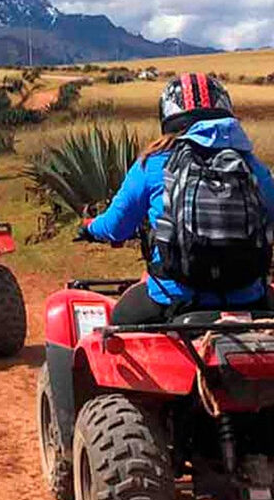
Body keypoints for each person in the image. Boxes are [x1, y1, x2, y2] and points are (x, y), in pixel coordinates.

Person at [78, 74, 274, 324]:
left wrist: (90, 228)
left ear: (168, 117)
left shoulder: (153, 163)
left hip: (173, 300)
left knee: (118, 321)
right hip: (247, 299)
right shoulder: (252, 165)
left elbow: (116, 226)